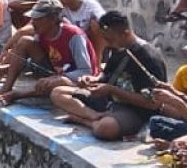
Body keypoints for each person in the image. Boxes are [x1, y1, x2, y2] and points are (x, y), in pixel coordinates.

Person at [47, 11, 166, 140]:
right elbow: (107, 74)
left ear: (125, 34)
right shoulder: (118, 47)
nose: (107, 43)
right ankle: (94, 115)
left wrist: (112, 90)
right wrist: (94, 79)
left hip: (134, 110)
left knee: (105, 129)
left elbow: (153, 103)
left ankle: (85, 121)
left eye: (110, 40)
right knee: (58, 92)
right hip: (108, 100)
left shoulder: (148, 57)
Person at [0, 0, 98, 105]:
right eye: (33, 18)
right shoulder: (41, 33)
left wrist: (57, 77)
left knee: (59, 82)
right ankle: (6, 88)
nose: (33, 23)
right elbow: (32, 58)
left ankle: (18, 95)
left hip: (75, 80)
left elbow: (86, 71)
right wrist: (9, 67)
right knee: (24, 41)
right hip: (54, 71)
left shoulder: (74, 36)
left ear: (53, 19)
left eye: (38, 19)